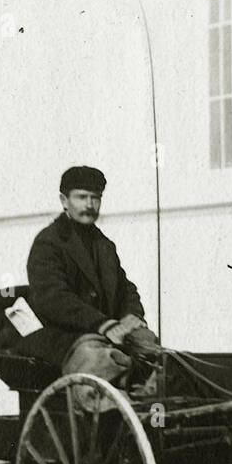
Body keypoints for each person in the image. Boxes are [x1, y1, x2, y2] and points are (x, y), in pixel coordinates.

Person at [22, 165, 161, 404]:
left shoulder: (104, 245)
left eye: (95, 198)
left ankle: (148, 401)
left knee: (151, 346)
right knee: (95, 357)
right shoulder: (48, 243)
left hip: (104, 332)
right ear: (64, 201)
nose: (89, 205)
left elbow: (126, 288)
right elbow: (54, 298)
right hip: (62, 335)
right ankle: (106, 405)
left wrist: (132, 315)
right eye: (81, 197)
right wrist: (103, 324)